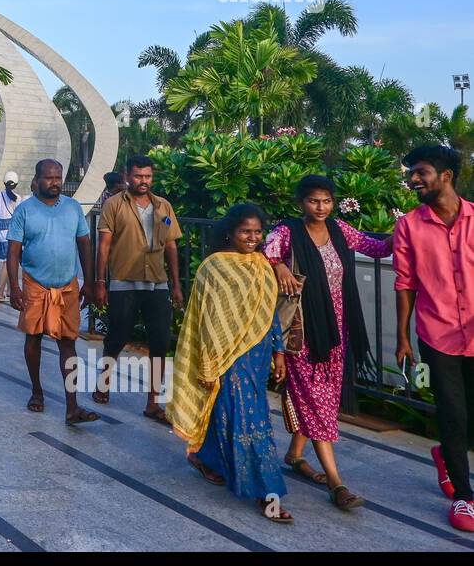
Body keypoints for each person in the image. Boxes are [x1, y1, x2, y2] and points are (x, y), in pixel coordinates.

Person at [264, 174, 392, 511]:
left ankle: (294, 454)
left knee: (325, 397)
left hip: (337, 330)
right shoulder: (287, 232)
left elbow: (376, 247)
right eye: (313, 201)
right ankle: (336, 483)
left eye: (326, 201)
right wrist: (279, 267)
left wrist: (409, 231)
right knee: (317, 401)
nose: (320, 207)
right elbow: (264, 252)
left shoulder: (340, 230)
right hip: (303, 332)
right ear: (300, 203)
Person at [168, 203, 291, 522]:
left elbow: (270, 313)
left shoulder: (263, 265)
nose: (252, 237)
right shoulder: (214, 267)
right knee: (250, 419)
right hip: (227, 357)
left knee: (229, 412)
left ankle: (205, 456)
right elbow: (207, 320)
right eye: (244, 232)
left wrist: (279, 352)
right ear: (230, 232)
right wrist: (208, 364)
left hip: (259, 354)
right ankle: (268, 494)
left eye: (256, 232)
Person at [394, 144, 474, 532]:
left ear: (446, 176)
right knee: (453, 413)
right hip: (436, 332)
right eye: (412, 172)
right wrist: (402, 337)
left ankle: (446, 455)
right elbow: (405, 283)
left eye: (420, 172)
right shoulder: (408, 225)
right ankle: (464, 495)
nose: (413, 179)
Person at [90, 155, 184, 423]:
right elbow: (104, 245)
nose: (143, 181)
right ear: (127, 176)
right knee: (117, 336)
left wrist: (176, 284)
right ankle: (104, 382)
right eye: (138, 176)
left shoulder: (163, 207)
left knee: (160, 341)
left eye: (148, 176)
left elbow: (171, 246)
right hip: (123, 282)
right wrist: (100, 282)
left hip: (157, 283)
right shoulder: (114, 205)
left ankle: (153, 402)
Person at [6, 159, 99, 424]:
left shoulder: (72, 208)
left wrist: (89, 282)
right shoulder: (24, 211)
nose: (55, 183)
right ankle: (37, 391)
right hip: (35, 284)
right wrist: (14, 287)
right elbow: (13, 252)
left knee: (68, 343)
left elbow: (84, 245)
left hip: (67, 286)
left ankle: (72, 406)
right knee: (33, 338)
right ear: (37, 180)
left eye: (58, 178)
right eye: (49, 178)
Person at [0, 171, 21, 303]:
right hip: (11, 232)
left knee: (7, 261)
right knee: (8, 263)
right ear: (16, 184)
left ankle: (9, 291)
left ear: (4, 183)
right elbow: (19, 219)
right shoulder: (18, 198)